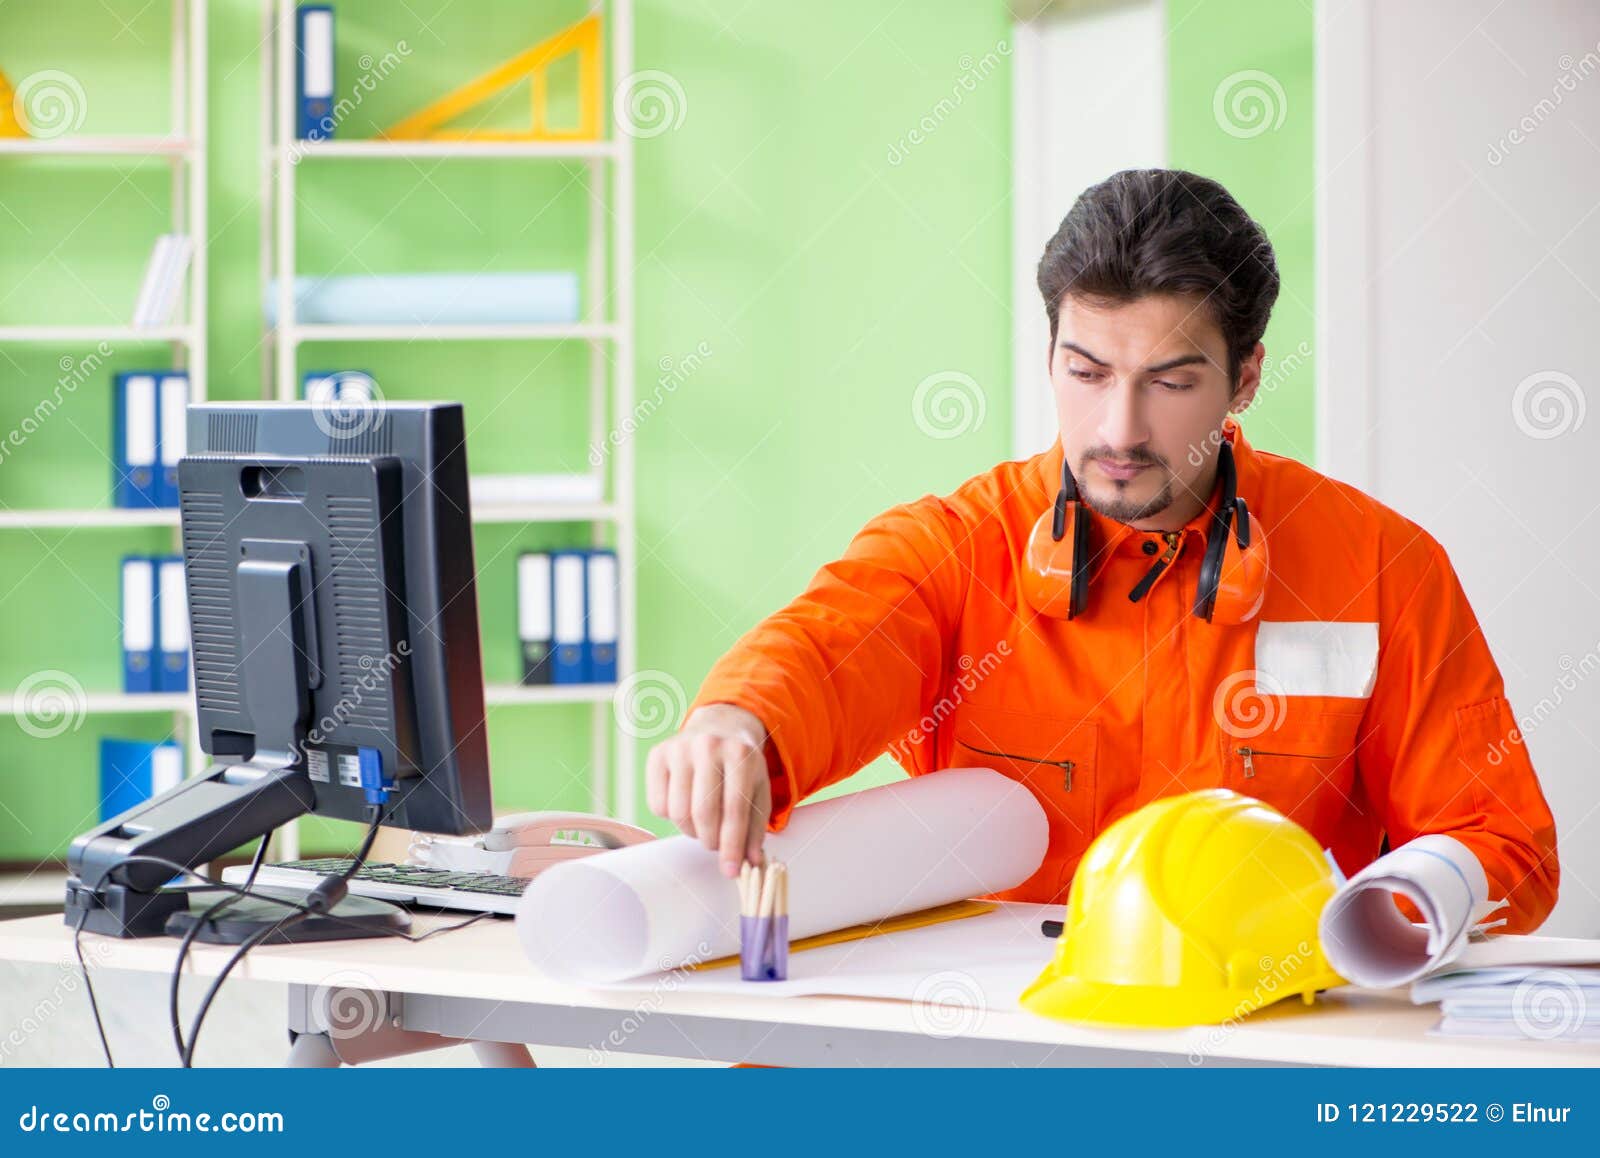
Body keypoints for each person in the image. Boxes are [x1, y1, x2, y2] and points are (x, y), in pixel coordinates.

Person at [644, 168, 1559, 933]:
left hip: (1271, 1045)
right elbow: (831, 644)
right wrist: (738, 720)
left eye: (1169, 382)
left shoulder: (1382, 568)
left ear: (1244, 379)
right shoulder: (961, 547)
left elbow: (1503, 846)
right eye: (1086, 374)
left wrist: (1375, 925)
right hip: (1008, 1051)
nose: (1117, 430)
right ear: (1050, 357)